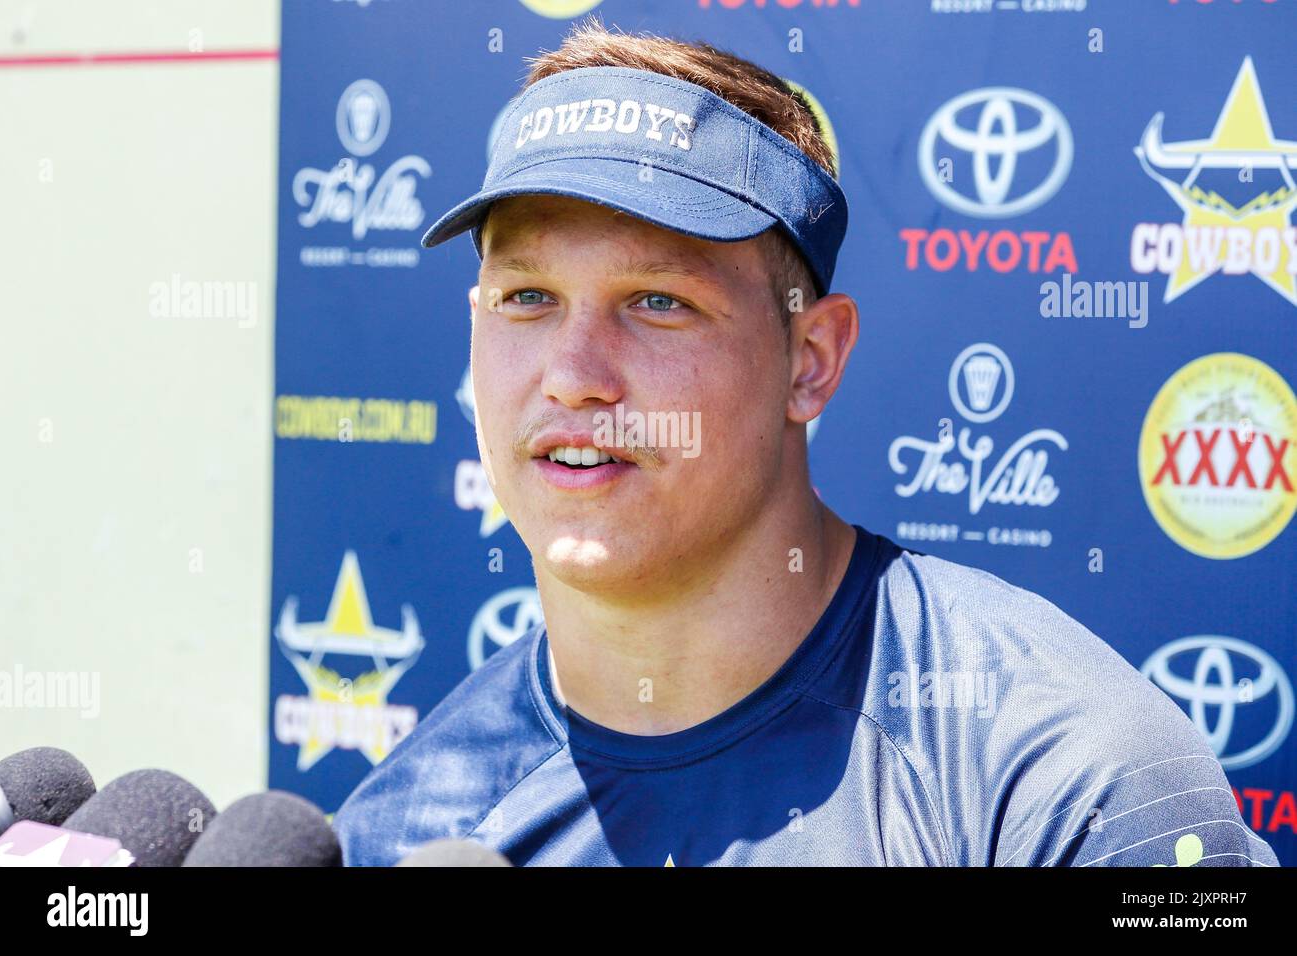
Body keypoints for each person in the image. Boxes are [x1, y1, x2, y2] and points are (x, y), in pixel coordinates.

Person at [332, 18, 1278, 867]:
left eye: (659, 302)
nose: (574, 372)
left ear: (810, 359)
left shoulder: (1067, 773)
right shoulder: (410, 824)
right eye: (526, 298)